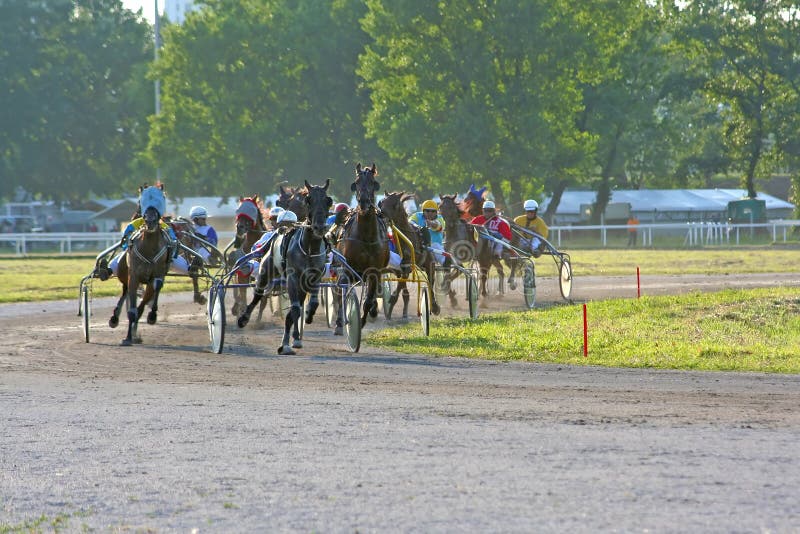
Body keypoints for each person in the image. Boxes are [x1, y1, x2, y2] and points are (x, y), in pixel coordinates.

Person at [96, 185, 190, 280]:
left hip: (160, 256)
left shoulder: (162, 225)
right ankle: (108, 271)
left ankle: (190, 269)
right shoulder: (137, 223)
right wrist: (126, 246)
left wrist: (172, 248)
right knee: (124, 256)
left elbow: (172, 238)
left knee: (172, 259)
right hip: (137, 253)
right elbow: (127, 233)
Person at [408, 199, 449, 267]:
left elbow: (438, 226)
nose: (430, 213)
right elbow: (410, 222)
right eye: (427, 211)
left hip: (434, 247)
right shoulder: (417, 216)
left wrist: (431, 224)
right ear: (423, 211)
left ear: (436, 212)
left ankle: (446, 265)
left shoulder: (440, 218)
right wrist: (416, 226)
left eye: (433, 211)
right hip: (419, 246)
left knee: (435, 245)